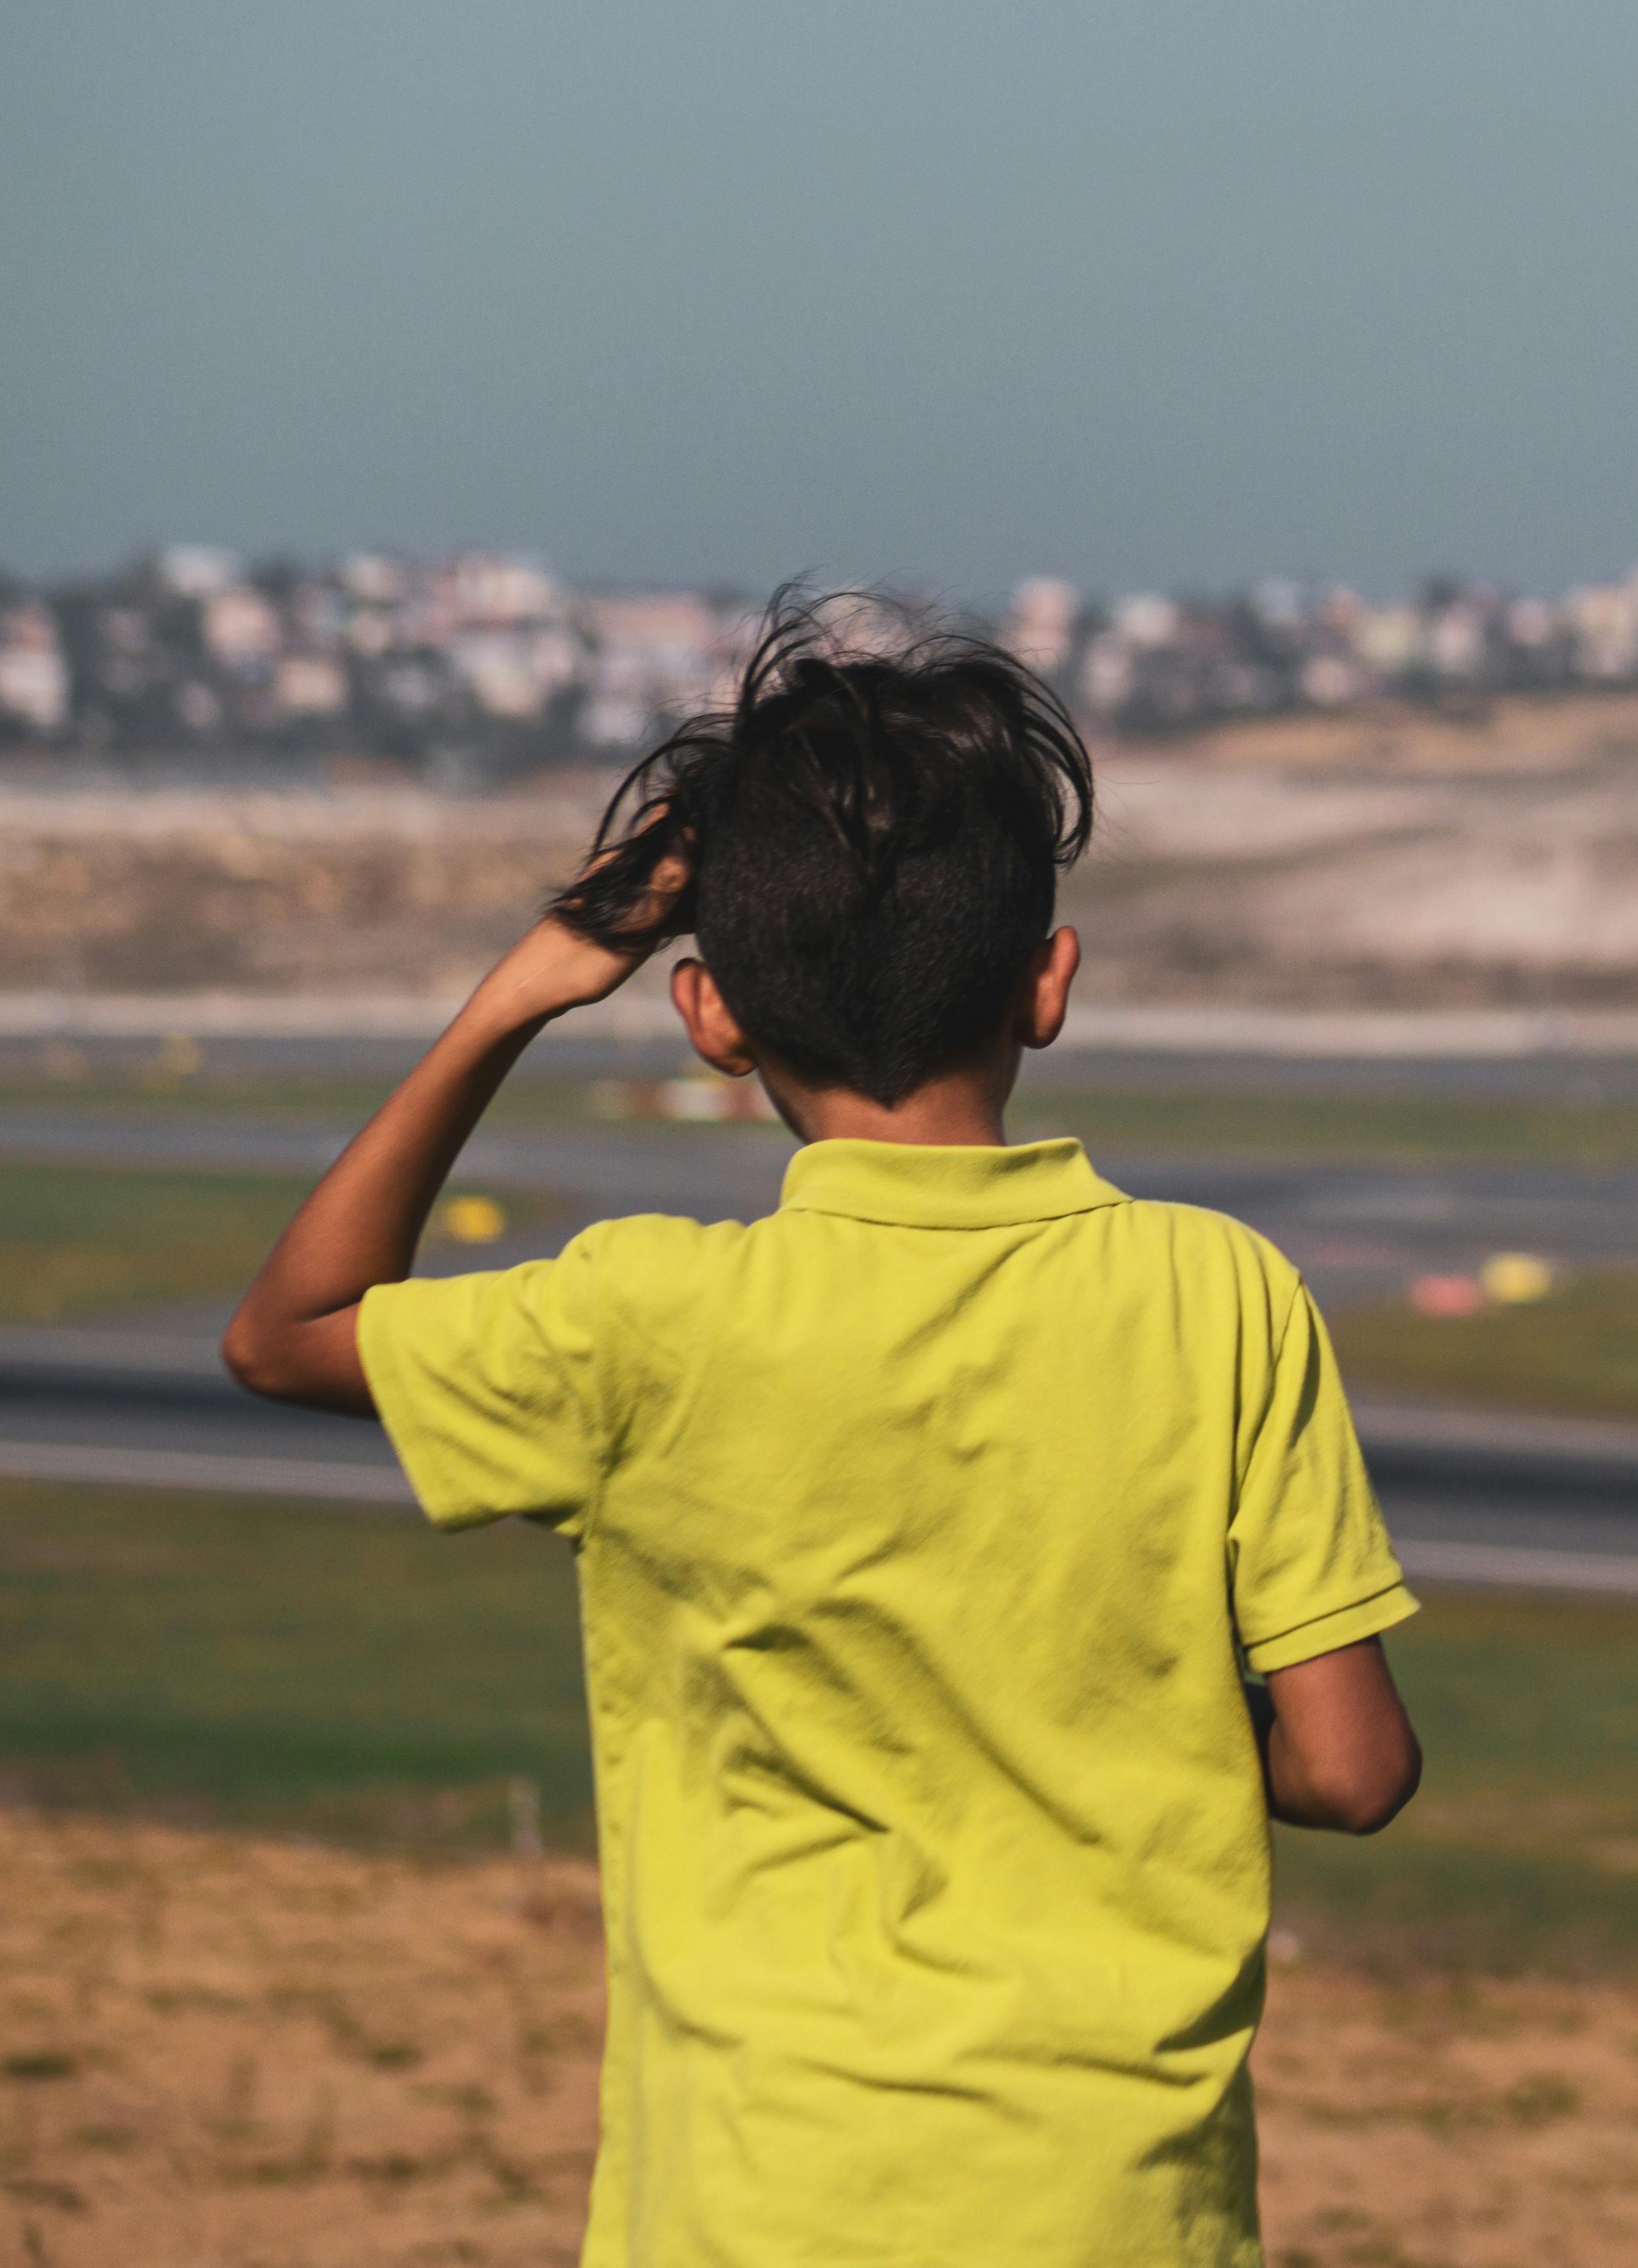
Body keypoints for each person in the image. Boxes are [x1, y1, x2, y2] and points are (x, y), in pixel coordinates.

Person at [222, 594, 1421, 2267]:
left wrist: (526, 991)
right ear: (1048, 984)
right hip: (1117, 2212)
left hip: (753, 2201)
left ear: (711, 1019)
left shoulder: (647, 1322)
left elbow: (286, 1333)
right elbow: (1355, 1770)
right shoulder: (1220, 1296)